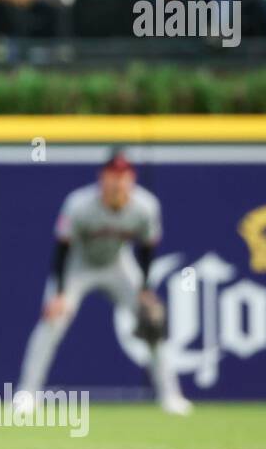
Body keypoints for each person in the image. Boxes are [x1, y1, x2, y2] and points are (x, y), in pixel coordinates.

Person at [14, 152, 193, 417]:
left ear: (131, 179)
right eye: (112, 176)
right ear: (102, 178)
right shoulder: (79, 204)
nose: (118, 182)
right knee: (52, 321)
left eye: (123, 176)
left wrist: (144, 289)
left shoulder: (146, 206)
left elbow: (147, 249)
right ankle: (27, 394)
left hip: (118, 265)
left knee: (152, 323)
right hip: (78, 266)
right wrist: (60, 293)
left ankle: (171, 396)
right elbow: (62, 249)